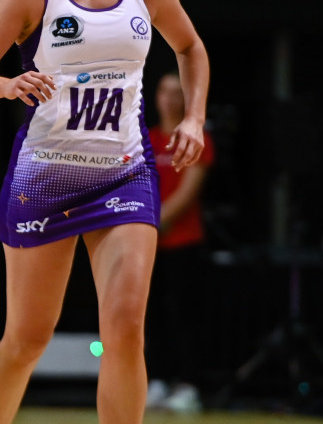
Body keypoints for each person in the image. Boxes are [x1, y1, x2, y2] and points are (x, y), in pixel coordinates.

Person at [0, 0, 210, 424]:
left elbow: (190, 47)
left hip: (125, 174)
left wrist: (193, 117)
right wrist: (6, 85)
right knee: (26, 339)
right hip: (47, 176)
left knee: (126, 329)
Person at [145, 71, 216, 412]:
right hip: (147, 245)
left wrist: (155, 221)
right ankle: (156, 380)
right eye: (164, 91)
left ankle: (189, 385)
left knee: (185, 315)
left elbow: (189, 190)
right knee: (150, 314)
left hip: (183, 241)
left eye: (177, 92)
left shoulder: (196, 138)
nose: (170, 98)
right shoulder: (144, 139)